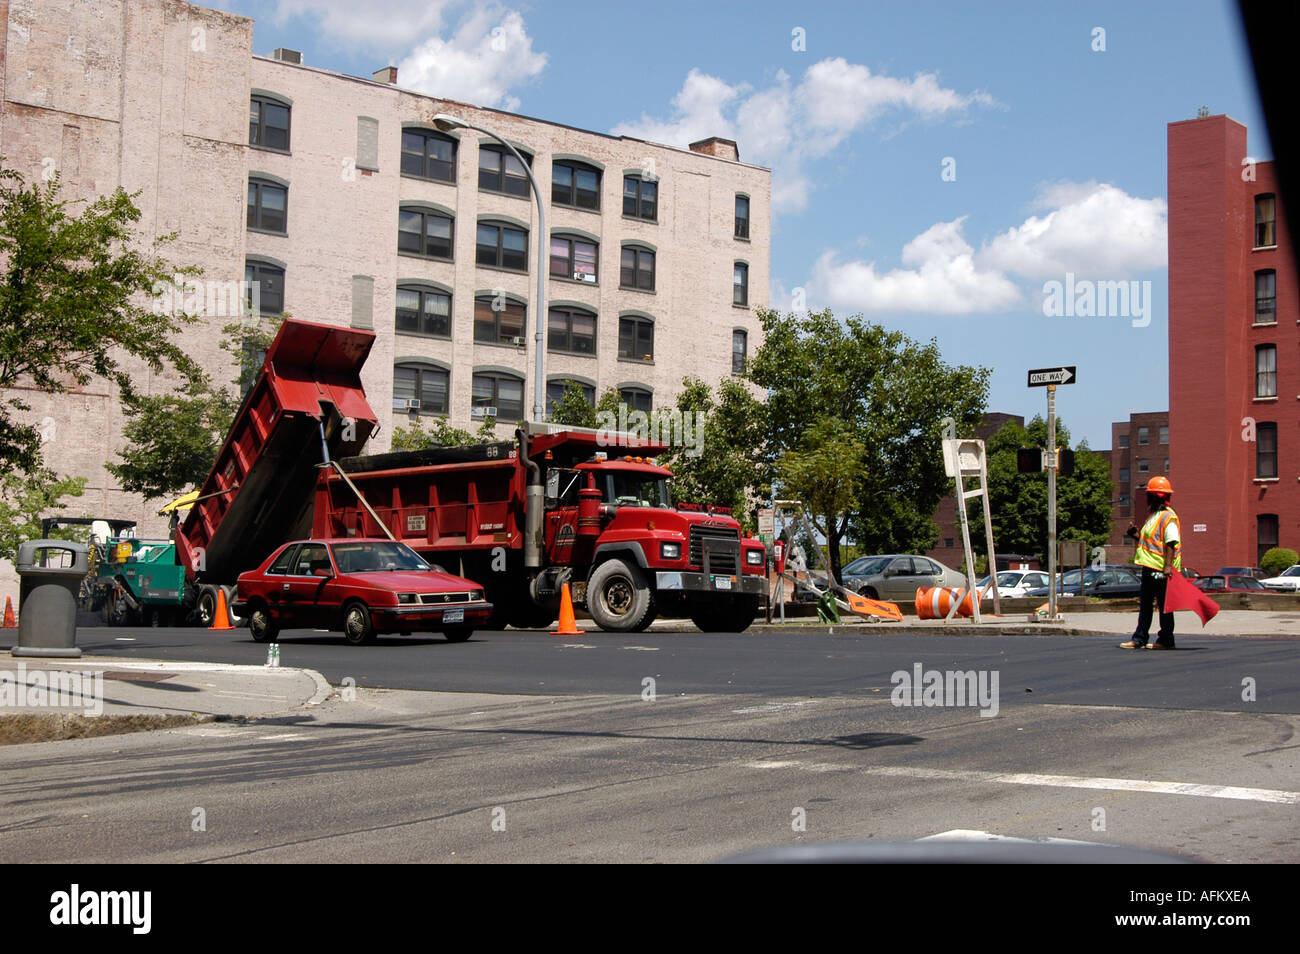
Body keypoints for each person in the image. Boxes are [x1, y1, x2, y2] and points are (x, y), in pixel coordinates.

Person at [1119, 476, 1181, 650]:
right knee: (1146, 605)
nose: (1146, 498)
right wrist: (1135, 536)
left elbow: (1171, 542)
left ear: (1156, 496)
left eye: (1149, 494)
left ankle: (1166, 639)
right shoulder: (1153, 516)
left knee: (1164, 607)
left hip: (1161, 569)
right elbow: (1151, 543)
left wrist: (1167, 566)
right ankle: (1139, 638)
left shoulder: (1168, 517)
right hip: (1149, 567)